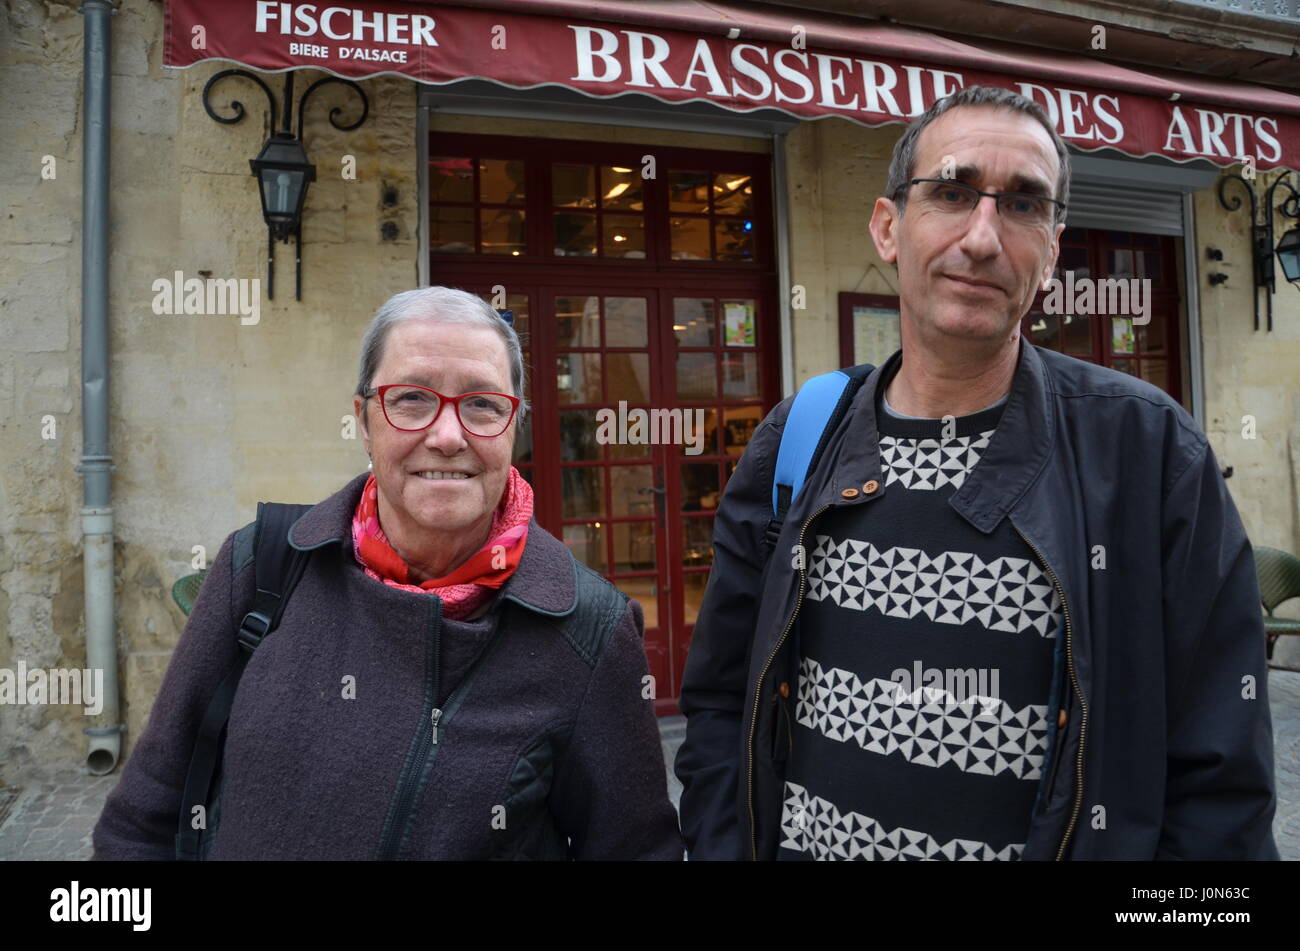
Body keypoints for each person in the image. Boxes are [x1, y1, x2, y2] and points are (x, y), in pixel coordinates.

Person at [674, 86, 1279, 861]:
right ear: (889, 228)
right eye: (953, 192)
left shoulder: (1149, 453)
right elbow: (724, 701)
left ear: (1054, 250)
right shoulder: (798, 438)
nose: (983, 236)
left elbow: (1221, 786)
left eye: (1024, 205)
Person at [93, 286, 682, 860]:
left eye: (482, 404)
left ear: (513, 425)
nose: (448, 435)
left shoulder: (589, 629)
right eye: (411, 399)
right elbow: (145, 817)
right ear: (364, 419)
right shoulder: (261, 566)